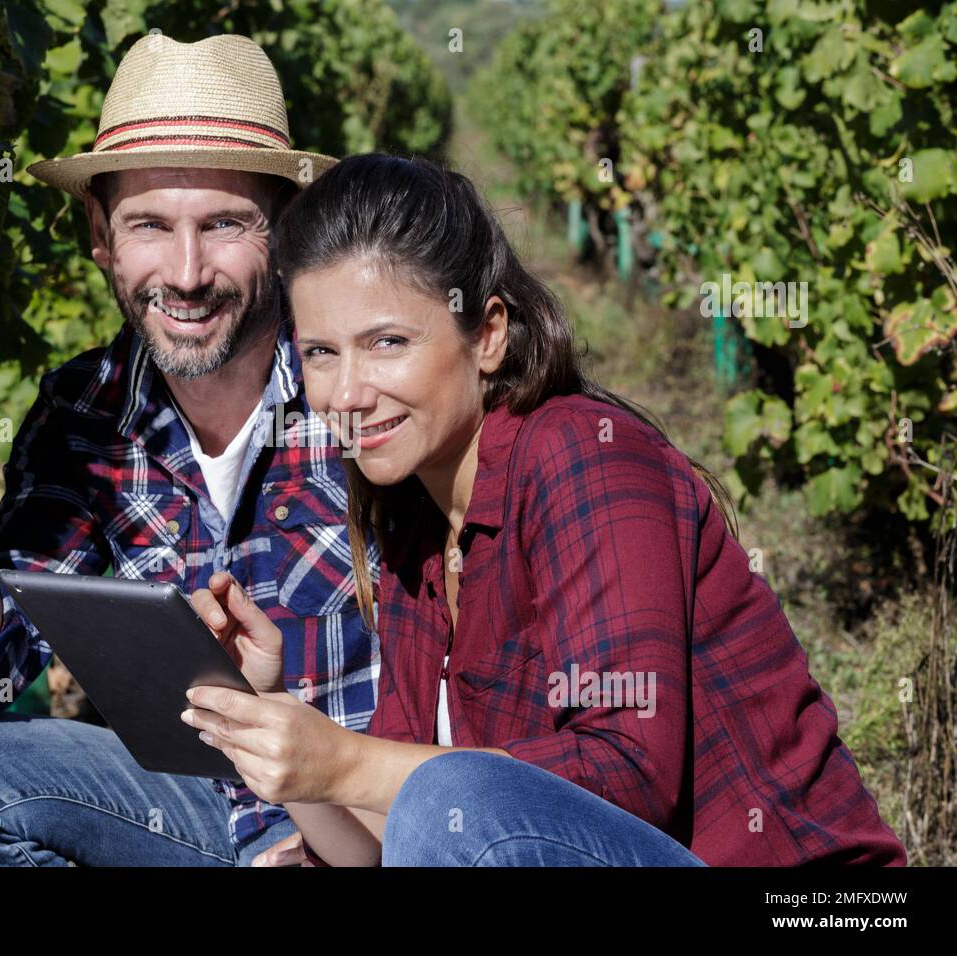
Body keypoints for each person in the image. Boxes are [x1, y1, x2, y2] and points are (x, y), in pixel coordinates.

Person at [182, 154, 908, 867]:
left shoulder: (586, 456)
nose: (346, 393)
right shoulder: (417, 522)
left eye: (387, 343)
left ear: (488, 334)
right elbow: (376, 841)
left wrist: (345, 761)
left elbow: (629, 773)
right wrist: (272, 719)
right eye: (320, 353)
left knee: (450, 793)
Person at [0, 34, 379, 866]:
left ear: (288, 228)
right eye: (149, 226)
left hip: (357, 818)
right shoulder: (80, 414)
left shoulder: (365, 394)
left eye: (225, 224)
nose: (187, 273)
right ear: (100, 235)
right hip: (183, 815)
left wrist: (341, 833)